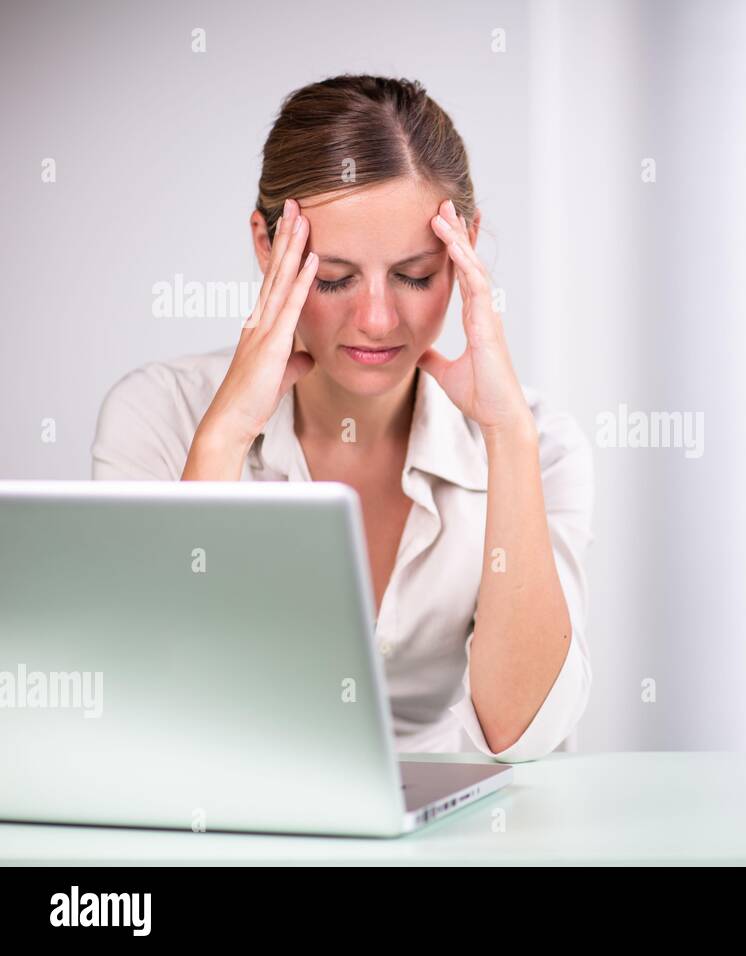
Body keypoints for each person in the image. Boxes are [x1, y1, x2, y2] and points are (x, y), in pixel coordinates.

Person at [91, 75, 593, 764]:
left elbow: (521, 731)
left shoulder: (539, 440)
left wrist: (507, 439)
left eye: (415, 274)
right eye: (333, 278)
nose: (379, 320)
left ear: (466, 248)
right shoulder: (159, 413)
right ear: (267, 248)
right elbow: (149, 705)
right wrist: (226, 436)